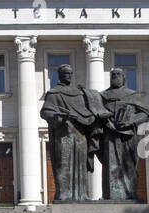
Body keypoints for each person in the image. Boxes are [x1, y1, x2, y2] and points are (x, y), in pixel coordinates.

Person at [41, 64, 110, 202]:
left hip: (81, 134)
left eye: (70, 73)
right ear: (60, 75)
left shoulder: (80, 93)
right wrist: (60, 117)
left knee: (81, 165)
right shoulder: (54, 93)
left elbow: (88, 112)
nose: (68, 75)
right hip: (64, 134)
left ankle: (82, 195)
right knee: (64, 164)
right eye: (65, 73)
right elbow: (45, 112)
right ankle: (64, 195)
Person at [98, 68, 149, 201]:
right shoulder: (103, 95)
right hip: (109, 134)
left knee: (129, 164)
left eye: (118, 75)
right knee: (110, 165)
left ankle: (130, 193)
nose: (115, 77)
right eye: (113, 75)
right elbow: (96, 113)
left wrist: (131, 122)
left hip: (128, 135)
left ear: (124, 78)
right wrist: (104, 119)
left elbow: (146, 113)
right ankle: (109, 195)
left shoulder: (132, 94)